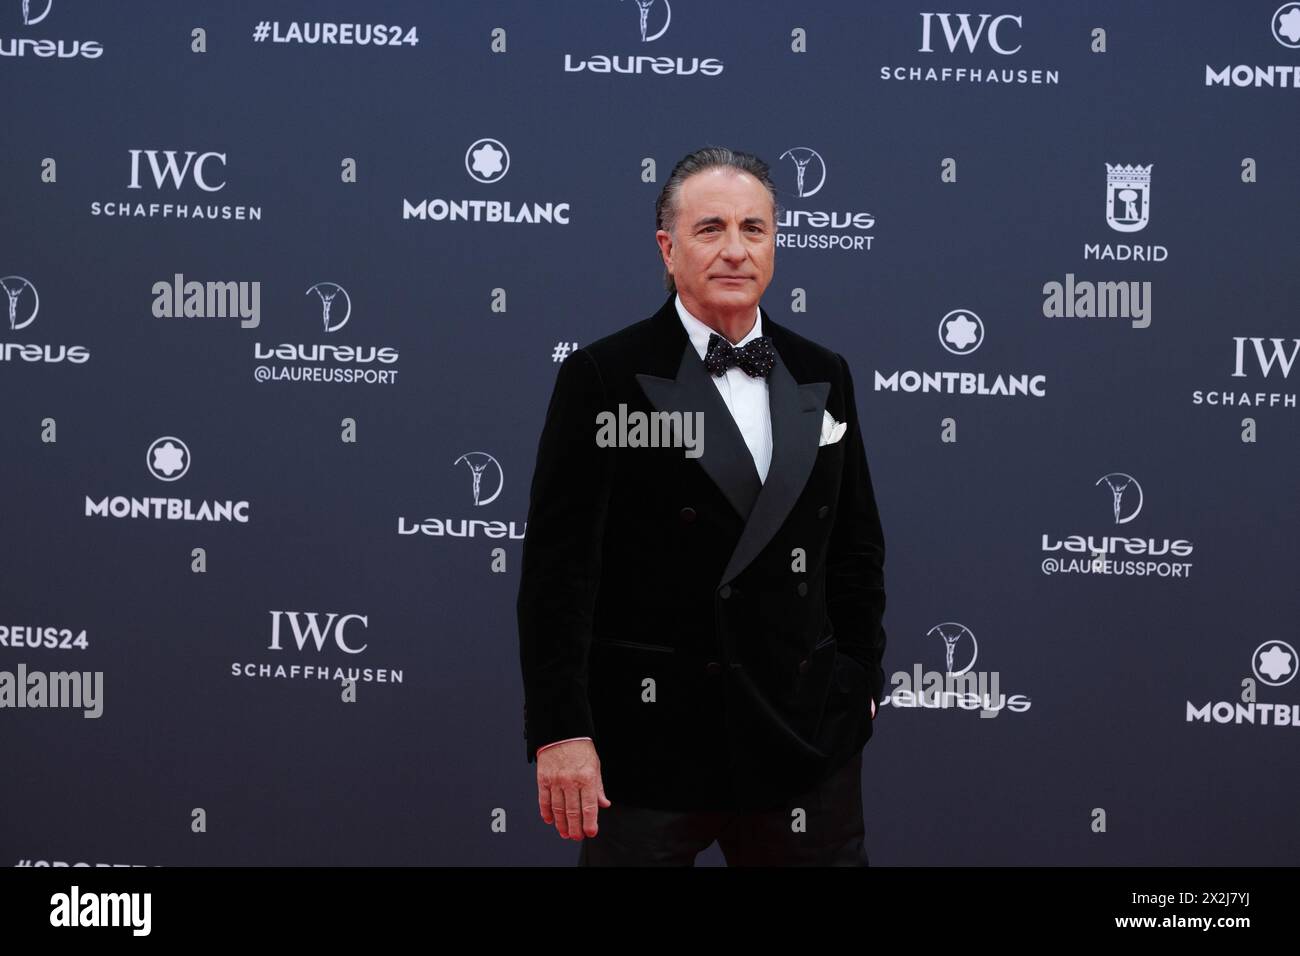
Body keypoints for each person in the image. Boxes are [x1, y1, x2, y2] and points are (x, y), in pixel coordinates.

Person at [516, 146, 887, 866]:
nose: (735, 250)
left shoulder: (824, 372)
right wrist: (562, 730)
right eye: (710, 228)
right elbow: (559, 574)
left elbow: (855, 547)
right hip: (650, 742)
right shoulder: (605, 375)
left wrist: (859, 682)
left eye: (754, 229)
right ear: (668, 246)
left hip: (801, 737)